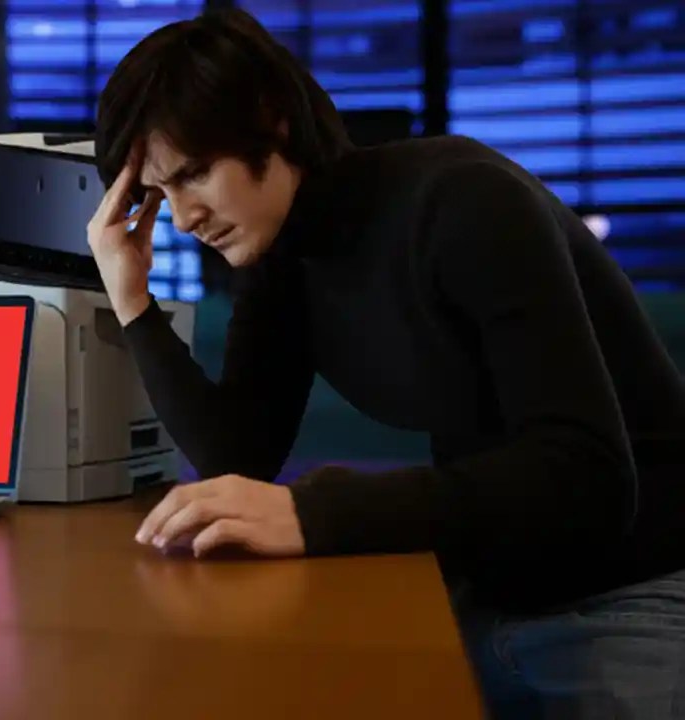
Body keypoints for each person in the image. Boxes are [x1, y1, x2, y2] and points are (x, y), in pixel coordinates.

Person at [87, 7, 685, 719]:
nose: (184, 218)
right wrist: (131, 299)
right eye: (160, 195)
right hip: (483, 596)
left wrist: (320, 512)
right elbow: (235, 455)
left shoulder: (464, 200)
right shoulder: (284, 257)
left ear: (273, 120)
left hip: (631, 592)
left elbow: (589, 477)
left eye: (195, 173)